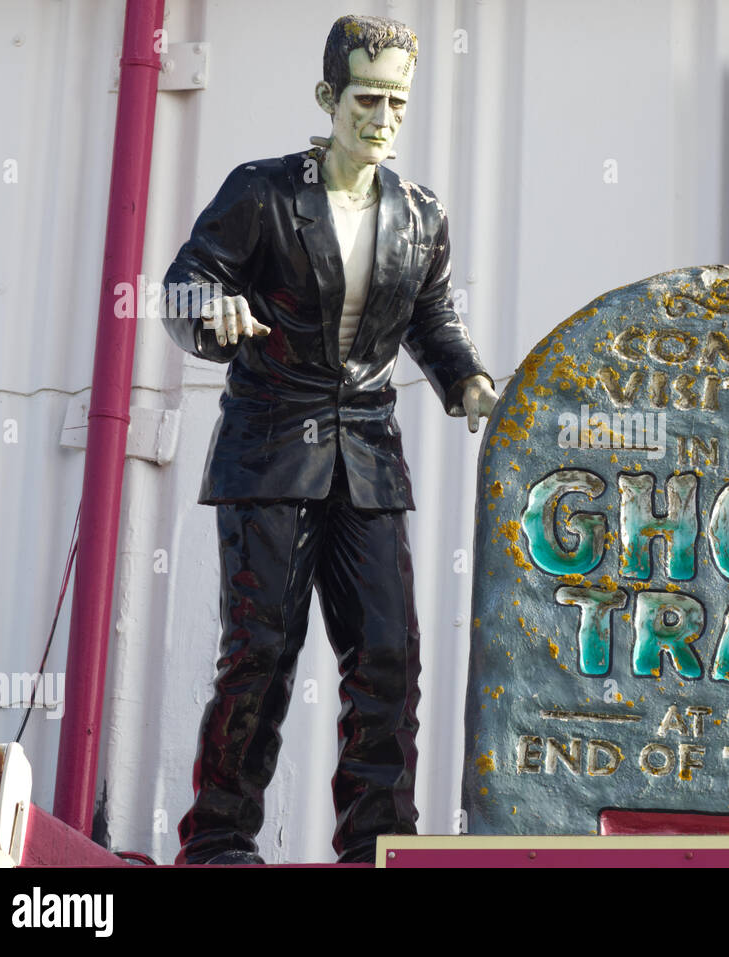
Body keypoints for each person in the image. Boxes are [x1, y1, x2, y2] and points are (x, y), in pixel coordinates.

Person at [160, 14, 495, 864]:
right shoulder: (263, 191)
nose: (382, 117)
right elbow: (185, 285)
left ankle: (378, 842)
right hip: (270, 443)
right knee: (262, 651)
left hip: (370, 458)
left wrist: (468, 381)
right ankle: (221, 837)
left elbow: (431, 316)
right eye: (366, 99)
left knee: (389, 653)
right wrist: (216, 311)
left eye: (396, 101)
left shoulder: (420, 214)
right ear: (327, 98)